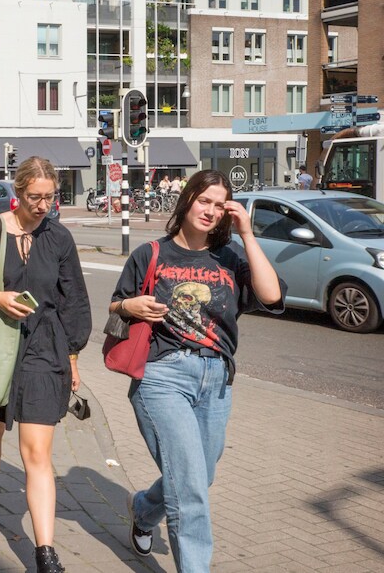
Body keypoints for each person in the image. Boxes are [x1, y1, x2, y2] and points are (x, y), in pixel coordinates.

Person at [111, 169, 283, 573]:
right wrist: (130, 306)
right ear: (186, 199)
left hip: (217, 380)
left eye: (220, 205)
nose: (210, 211)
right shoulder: (151, 253)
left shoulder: (229, 258)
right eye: (204, 201)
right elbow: (117, 305)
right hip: (162, 376)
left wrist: (248, 234)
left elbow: (272, 295)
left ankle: (143, 509)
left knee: (198, 477)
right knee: (189, 490)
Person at [0, 156, 91, 573]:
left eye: (50, 197)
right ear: (17, 193)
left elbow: (73, 301)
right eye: (34, 197)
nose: (43, 205)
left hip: (44, 350)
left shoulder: (59, 238)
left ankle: (44, 553)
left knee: (37, 454)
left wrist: (73, 355)